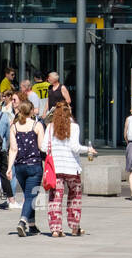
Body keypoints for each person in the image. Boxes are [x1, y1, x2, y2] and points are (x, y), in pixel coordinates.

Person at [43, 103, 96, 237]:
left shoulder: (49, 127)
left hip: (56, 167)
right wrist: (88, 149)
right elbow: (75, 148)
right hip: (72, 167)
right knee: (74, 197)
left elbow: (44, 148)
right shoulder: (74, 127)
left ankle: (56, 229)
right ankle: (74, 227)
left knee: (55, 198)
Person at [7, 100, 45, 235]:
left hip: (20, 167)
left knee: (29, 195)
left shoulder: (14, 127)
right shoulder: (37, 125)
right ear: (32, 111)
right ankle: (22, 221)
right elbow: (41, 147)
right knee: (31, 196)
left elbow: (13, 149)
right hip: (34, 166)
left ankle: (32, 225)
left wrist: (9, 168)